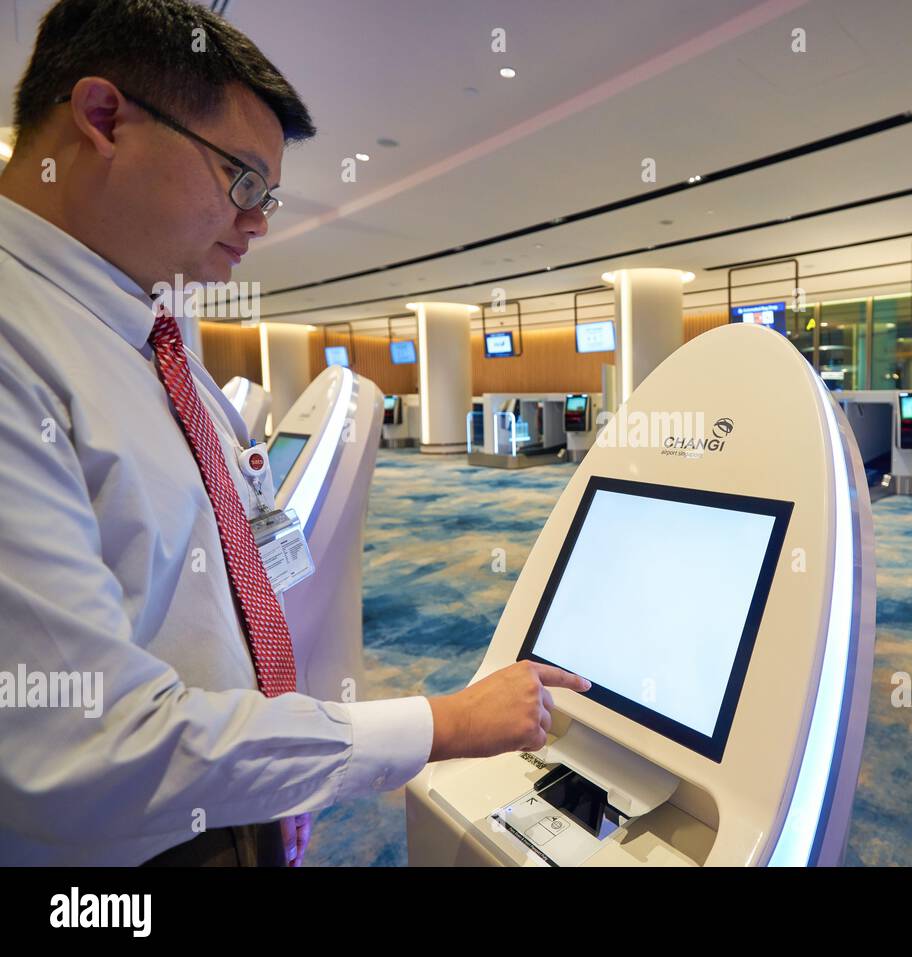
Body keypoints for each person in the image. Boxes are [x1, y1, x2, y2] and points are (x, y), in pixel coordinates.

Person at [0, 0, 588, 867]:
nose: (260, 220)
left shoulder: (153, 328)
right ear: (103, 118)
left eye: (269, 194)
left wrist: (286, 773)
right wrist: (438, 724)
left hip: (223, 799)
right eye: (243, 179)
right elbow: (87, 746)